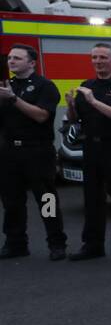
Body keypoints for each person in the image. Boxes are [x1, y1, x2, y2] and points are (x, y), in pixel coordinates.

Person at [65, 43, 111, 262]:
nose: (97, 61)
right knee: (92, 200)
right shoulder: (87, 85)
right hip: (91, 149)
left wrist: (93, 101)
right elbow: (74, 120)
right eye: (94, 57)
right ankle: (92, 245)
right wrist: (71, 106)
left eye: (103, 57)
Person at [0, 44, 68, 260]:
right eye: (10, 58)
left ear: (31, 63)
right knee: (11, 201)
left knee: (46, 199)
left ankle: (56, 243)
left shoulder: (44, 86)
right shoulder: (6, 85)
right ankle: (15, 243)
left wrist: (13, 99)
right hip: (10, 151)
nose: (11, 61)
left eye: (17, 58)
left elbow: (41, 116)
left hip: (37, 151)